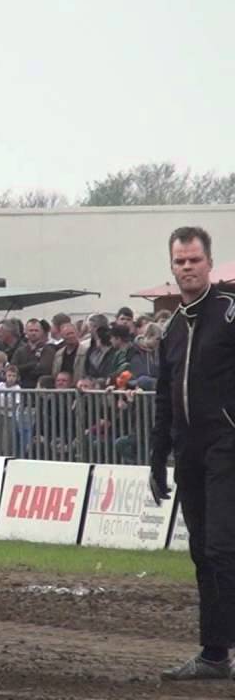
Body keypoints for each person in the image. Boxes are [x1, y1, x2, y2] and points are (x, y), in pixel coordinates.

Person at [150, 226, 235, 682]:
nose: (187, 267)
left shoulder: (229, 312)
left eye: (194, 260)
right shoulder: (169, 330)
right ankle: (214, 655)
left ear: (209, 262)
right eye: (180, 261)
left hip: (228, 446)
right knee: (203, 551)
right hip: (189, 455)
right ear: (172, 266)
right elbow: (164, 399)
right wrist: (156, 457)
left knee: (224, 548)